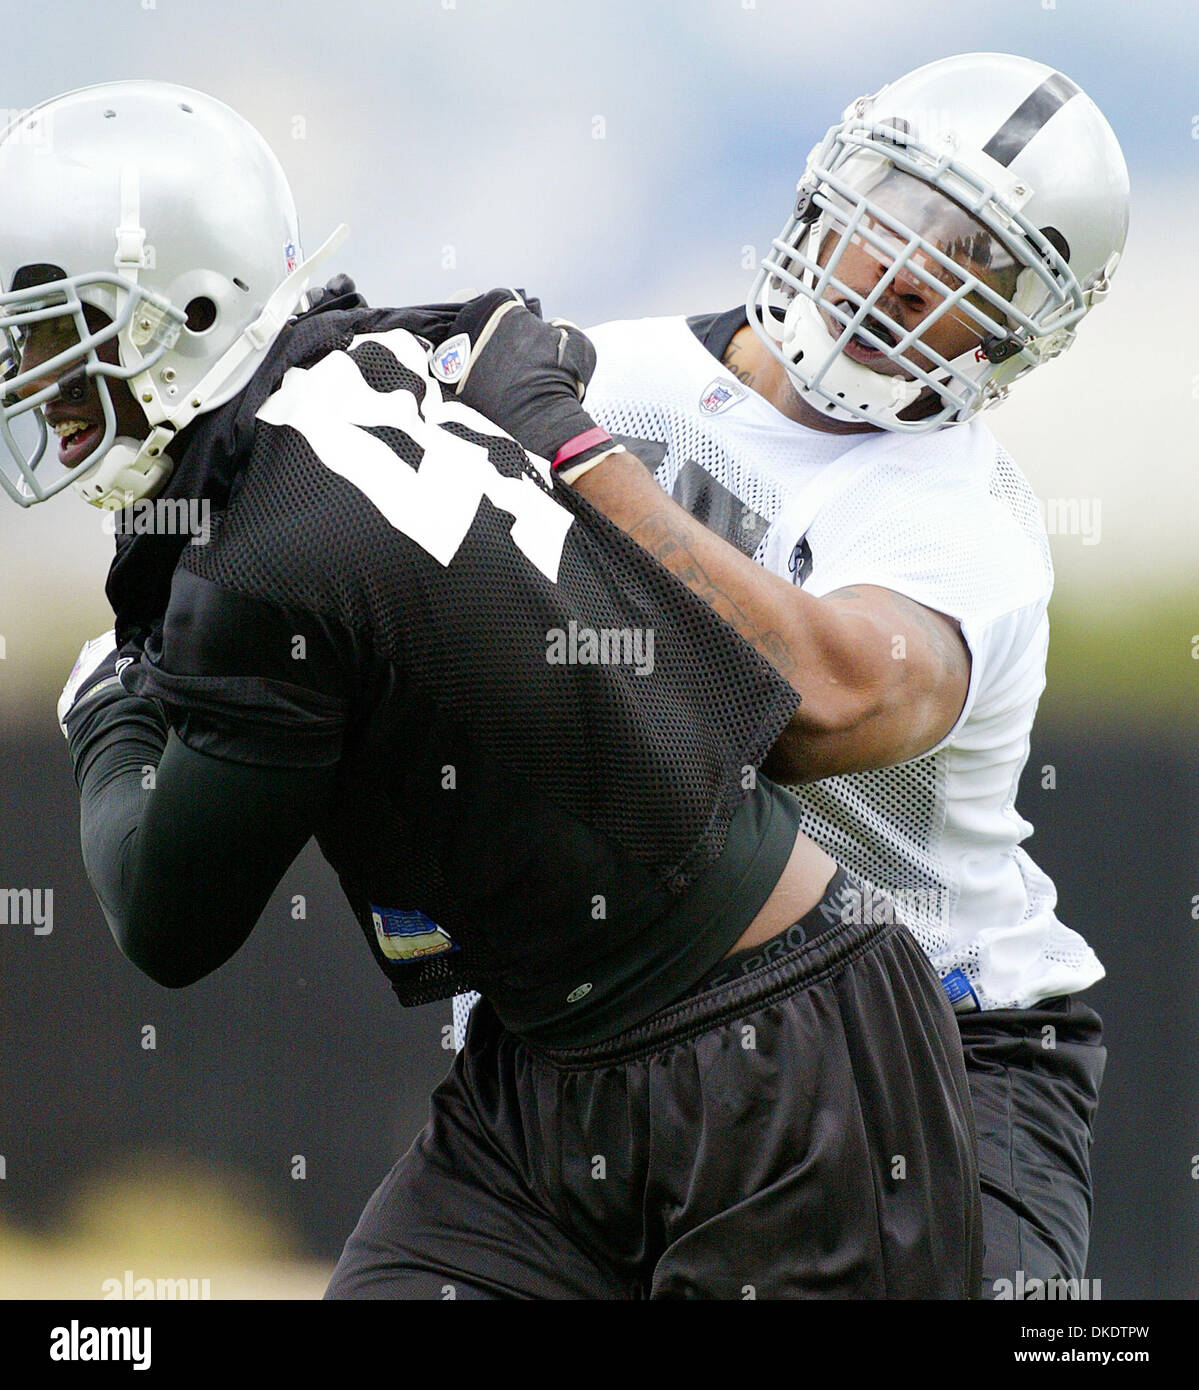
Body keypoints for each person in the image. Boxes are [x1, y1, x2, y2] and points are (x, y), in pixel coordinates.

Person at [0, 81, 981, 1298]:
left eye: (51, 333)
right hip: (551, 1064)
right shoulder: (359, 365)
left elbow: (167, 918)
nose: (34, 379)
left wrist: (107, 706)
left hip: (780, 1060)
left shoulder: (264, 562)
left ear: (185, 304)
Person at [450, 52, 1128, 1298]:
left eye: (978, 266)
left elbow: (820, 704)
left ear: (1014, 337)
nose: (920, 269)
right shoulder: (616, 372)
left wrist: (579, 459)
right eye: (908, 211)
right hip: (616, 1028)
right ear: (829, 186)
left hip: (936, 1038)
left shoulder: (961, 516)